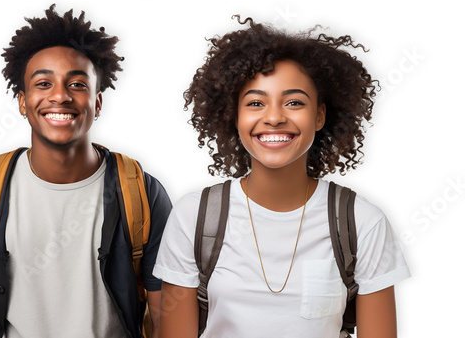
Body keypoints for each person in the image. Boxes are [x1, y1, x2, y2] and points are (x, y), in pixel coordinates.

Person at [156, 17, 411, 337]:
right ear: (234, 116)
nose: (274, 117)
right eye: (255, 103)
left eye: (294, 102)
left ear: (319, 116)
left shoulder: (361, 222)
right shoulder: (194, 217)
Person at [0, 5, 172, 338]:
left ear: (98, 102)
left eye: (77, 84)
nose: (60, 96)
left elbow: (168, 322)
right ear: (22, 101)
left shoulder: (143, 194)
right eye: (44, 83)